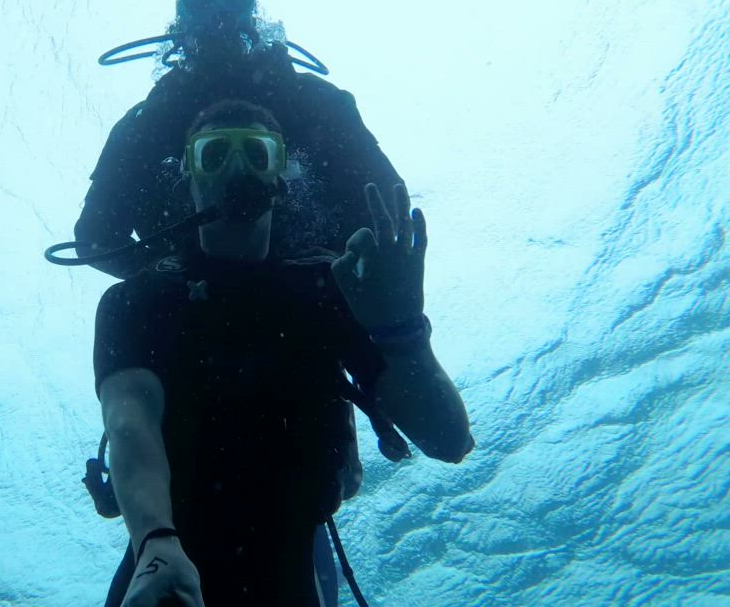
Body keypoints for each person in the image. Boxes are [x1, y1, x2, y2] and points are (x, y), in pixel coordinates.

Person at [93, 100, 473, 607]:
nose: (236, 169)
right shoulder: (138, 300)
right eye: (213, 155)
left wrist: (401, 329)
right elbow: (129, 423)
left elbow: (449, 440)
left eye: (255, 153)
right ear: (187, 173)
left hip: (286, 557)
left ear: (281, 171)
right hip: (163, 554)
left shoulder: (332, 289)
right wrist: (157, 543)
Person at [75, 0, 406, 280]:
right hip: (196, 309)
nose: (219, 11)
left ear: (252, 11)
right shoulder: (143, 127)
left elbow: (388, 205)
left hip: (313, 304)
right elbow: (94, 238)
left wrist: (333, 275)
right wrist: (176, 280)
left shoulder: (319, 105)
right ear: (182, 21)